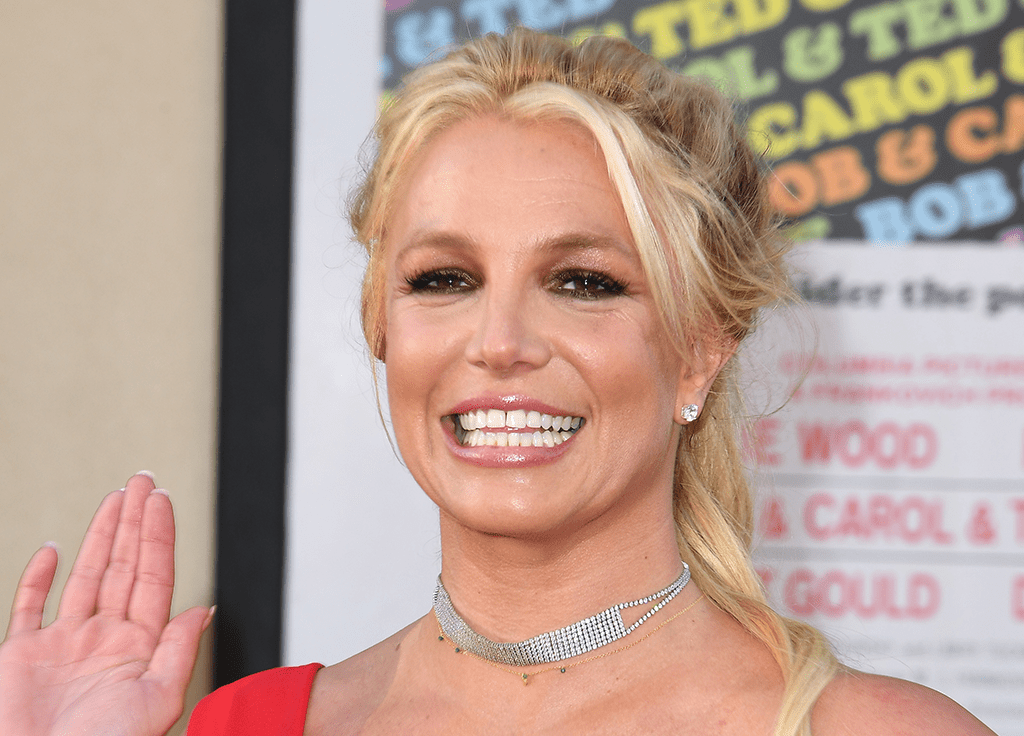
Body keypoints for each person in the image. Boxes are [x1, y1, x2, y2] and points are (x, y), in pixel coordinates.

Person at [0, 28, 995, 736]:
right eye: (444, 279)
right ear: (383, 327)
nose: (501, 341)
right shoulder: (252, 725)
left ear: (699, 349)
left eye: (582, 281)